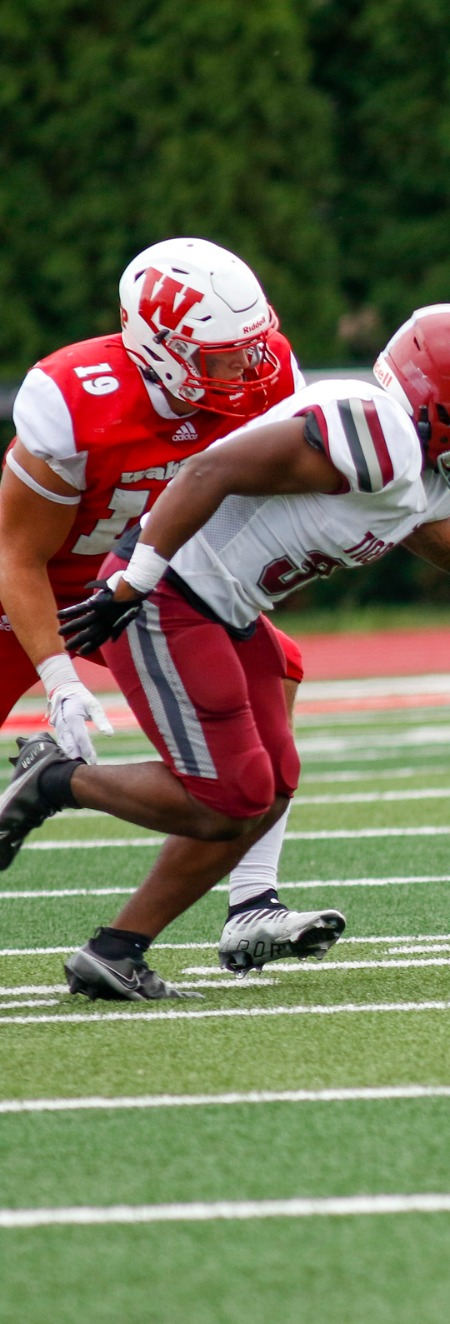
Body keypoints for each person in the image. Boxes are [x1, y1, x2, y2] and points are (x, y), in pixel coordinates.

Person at [0, 303, 450, 1001]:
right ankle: (56, 779)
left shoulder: (417, 469)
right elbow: (206, 471)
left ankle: (117, 950)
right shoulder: (373, 428)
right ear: (435, 398)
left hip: (222, 609)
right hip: (167, 594)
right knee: (230, 797)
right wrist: (134, 579)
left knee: (273, 780)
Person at [0, 237, 327, 972]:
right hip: (46, 584)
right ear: (160, 348)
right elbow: (17, 556)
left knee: (276, 676)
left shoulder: (266, 374)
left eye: (252, 346)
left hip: (153, 587)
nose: (248, 369)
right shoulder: (74, 397)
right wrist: (61, 681)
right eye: (221, 358)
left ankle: (252, 902)